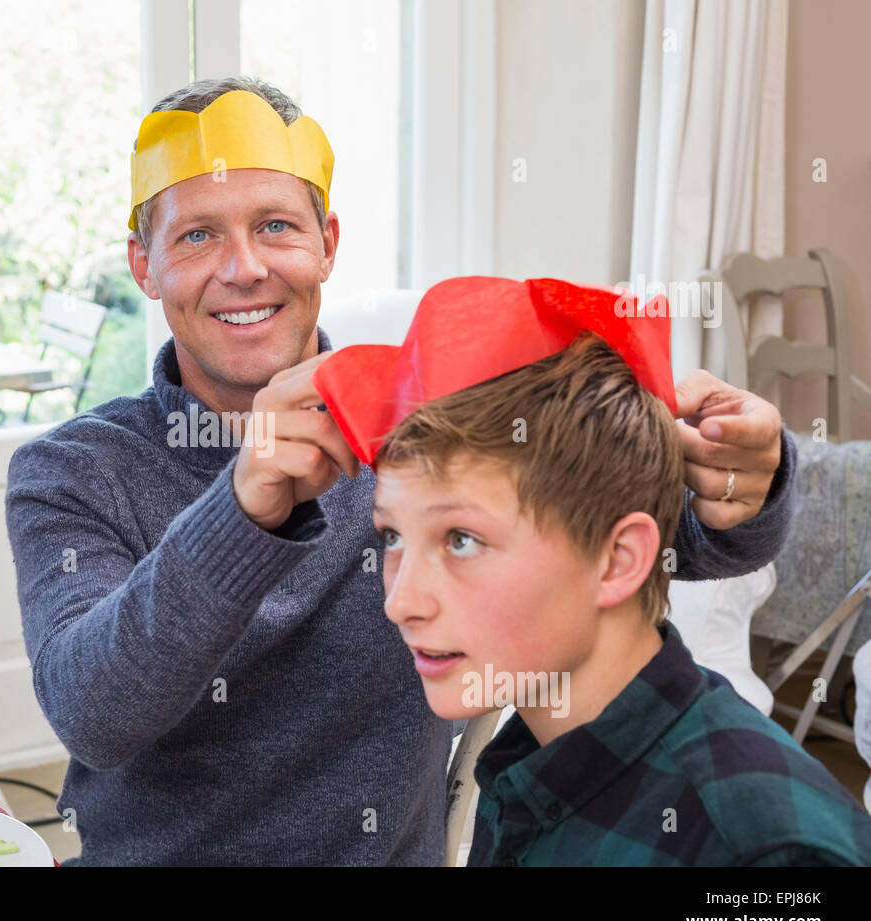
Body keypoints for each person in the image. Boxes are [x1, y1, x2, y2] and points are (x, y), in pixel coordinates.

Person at [4, 76, 798, 865]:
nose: (243, 269)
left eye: (276, 225)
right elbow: (94, 713)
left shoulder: (417, 413)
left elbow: (664, 540)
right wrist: (241, 508)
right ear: (144, 266)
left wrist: (745, 483)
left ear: (327, 245)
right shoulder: (73, 472)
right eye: (197, 236)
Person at [319, 275, 871, 865]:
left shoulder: (769, 855)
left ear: (619, 559)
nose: (400, 602)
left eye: (461, 539)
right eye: (394, 536)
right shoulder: (526, 765)